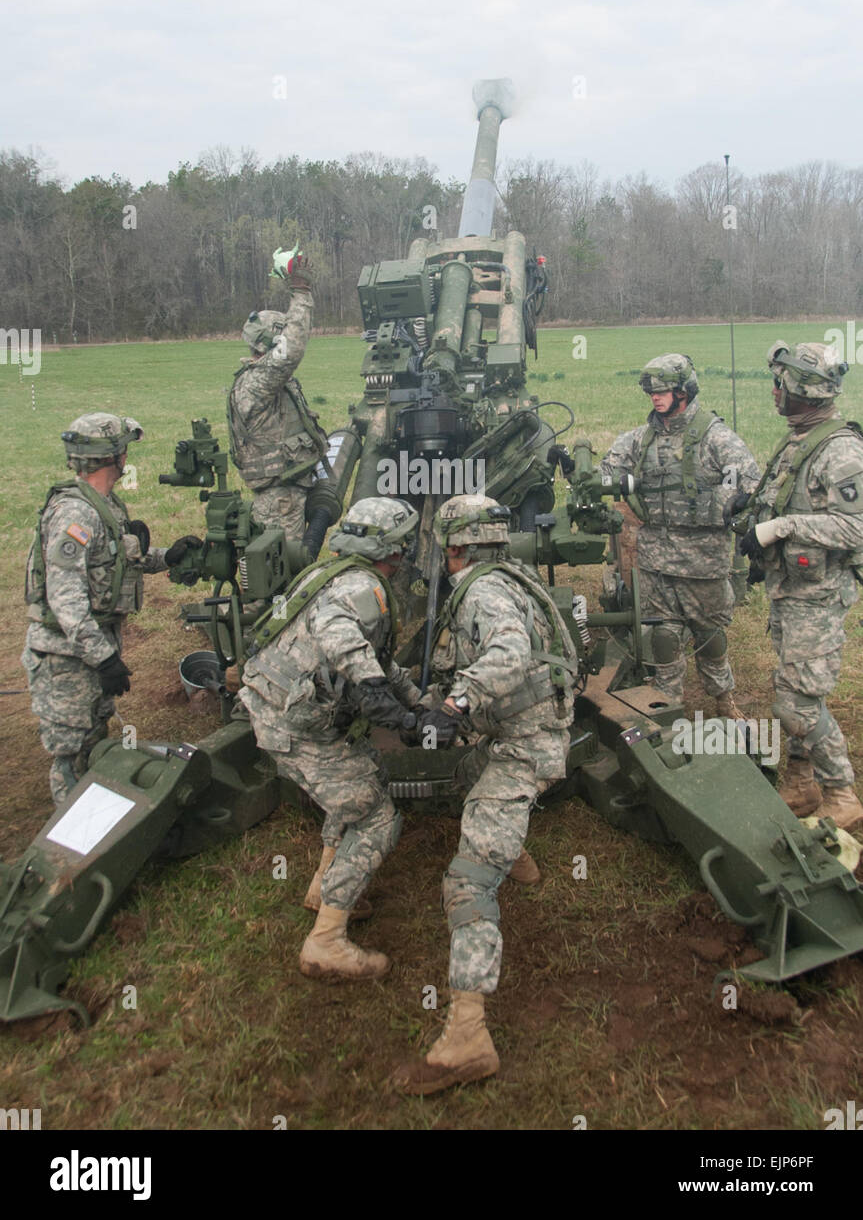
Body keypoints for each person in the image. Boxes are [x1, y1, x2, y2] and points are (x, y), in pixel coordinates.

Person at [394, 494, 578, 1095]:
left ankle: (469, 1035)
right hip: (516, 733)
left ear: (452, 547)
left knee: (466, 883)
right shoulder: (508, 575)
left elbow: (507, 653)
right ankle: (516, 854)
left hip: (522, 746)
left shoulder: (482, 592)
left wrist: (456, 703)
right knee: (468, 780)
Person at [238, 497, 424, 980]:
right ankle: (326, 941)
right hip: (295, 727)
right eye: (404, 545)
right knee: (378, 819)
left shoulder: (332, 572)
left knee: (365, 776)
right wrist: (390, 708)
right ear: (394, 550)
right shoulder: (363, 588)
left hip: (281, 707)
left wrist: (416, 700)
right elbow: (344, 640)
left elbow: (376, 660)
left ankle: (325, 885)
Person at [21, 413, 201, 805]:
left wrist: (167, 557)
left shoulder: (104, 505)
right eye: (123, 449)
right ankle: (68, 845)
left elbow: (117, 560)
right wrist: (104, 660)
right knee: (72, 753)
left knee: (93, 733)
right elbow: (65, 600)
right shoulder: (76, 515)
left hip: (89, 646)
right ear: (113, 456)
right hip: (65, 655)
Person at [736, 341, 863, 829]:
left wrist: (784, 528)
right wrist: (752, 514)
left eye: (779, 386)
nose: (774, 394)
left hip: (818, 596)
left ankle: (841, 792)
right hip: (791, 589)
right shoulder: (801, 439)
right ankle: (801, 781)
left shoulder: (841, 450)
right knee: (793, 686)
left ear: (802, 394)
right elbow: (789, 496)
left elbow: (854, 527)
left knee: (796, 699)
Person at [600, 353, 760, 716]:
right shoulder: (640, 440)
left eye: (664, 392)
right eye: (652, 393)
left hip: (703, 562)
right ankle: (667, 703)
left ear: (684, 391)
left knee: (710, 636)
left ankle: (724, 700)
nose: (656, 399)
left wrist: (725, 503)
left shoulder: (715, 437)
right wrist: (586, 473)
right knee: (663, 636)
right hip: (656, 559)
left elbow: (749, 482)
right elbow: (606, 471)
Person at [226, 249, 330, 539]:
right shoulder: (257, 381)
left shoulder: (264, 380)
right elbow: (291, 350)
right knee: (282, 574)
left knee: (295, 564)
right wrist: (301, 292)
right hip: (278, 499)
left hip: (287, 492)